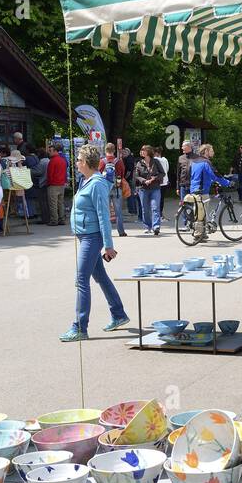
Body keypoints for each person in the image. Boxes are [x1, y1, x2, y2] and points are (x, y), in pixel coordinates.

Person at [61, 145, 129, 342]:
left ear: (87, 163)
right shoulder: (86, 180)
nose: (76, 163)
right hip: (85, 236)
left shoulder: (97, 184)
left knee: (81, 280)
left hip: (92, 238)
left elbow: (103, 215)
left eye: (79, 160)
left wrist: (108, 245)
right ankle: (118, 314)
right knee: (100, 277)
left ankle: (80, 327)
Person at [132, 144, 166, 235]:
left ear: (148, 152)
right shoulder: (139, 163)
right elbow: (136, 176)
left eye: (144, 150)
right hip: (143, 189)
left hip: (155, 188)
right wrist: (144, 181)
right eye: (141, 150)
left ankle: (156, 226)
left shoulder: (156, 162)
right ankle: (147, 226)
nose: (142, 152)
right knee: (145, 208)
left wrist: (154, 178)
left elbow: (162, 173)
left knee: (155, 207)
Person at [45, 144, 68, 225]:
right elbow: (65, 173)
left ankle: (54, 220)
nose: (49, 152)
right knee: (60, 203)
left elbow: (50, 174)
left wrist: (48, 183)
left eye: (50, 151)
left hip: (53, 185)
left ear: (55, 151)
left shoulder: (52, 161)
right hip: (61, 184)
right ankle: (62, 219)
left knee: (53, 204)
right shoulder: (63, 160)